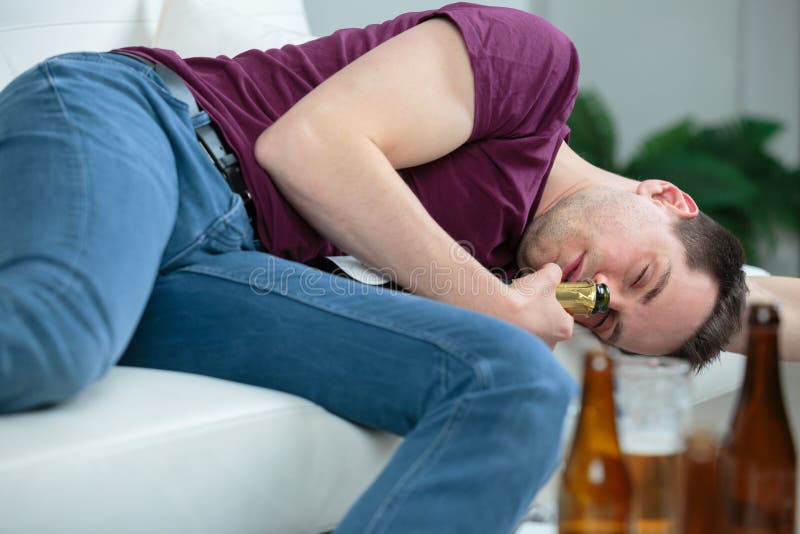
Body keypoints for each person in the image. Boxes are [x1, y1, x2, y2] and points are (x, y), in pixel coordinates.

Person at [0, 2, 760, 532]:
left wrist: (499, 306)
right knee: (54, 341)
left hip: (215, 265)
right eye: (644, 275)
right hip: (156, 129)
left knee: (519, 384)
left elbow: (768, 303)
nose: (603, 294)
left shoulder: (495, 279)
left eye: (610, 320)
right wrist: (492, 305)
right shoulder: (532, 71)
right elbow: (306, 147)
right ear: (667, 197)